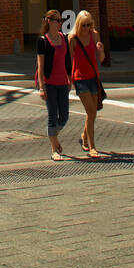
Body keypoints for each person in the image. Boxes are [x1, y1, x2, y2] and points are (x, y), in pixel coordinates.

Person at [69, 10, 105, 158]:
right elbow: (69, 60)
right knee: (91, 112)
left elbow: (101, 59)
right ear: (78, 24)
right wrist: (69, 79)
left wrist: (101, 51)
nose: (86, 28)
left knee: (93, 113)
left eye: (89, 25)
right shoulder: (73, 38)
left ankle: (84, 136)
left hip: (93, 77)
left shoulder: (94, 35)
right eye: (83, 25)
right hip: (80, 79)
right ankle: (92, 147)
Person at [37, 9, 72, 160]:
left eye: (61, 20)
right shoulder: (43, 40)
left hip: (63, 82)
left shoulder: (64, 38)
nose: (60, 23)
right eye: (57, 20)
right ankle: (54, 150)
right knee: (53, 116)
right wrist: (41, 87)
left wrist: (70, 78)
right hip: (50, 83)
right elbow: (41, 65)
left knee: (64, 116)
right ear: (49, 22)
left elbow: (67, 60)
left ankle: (54, 136)